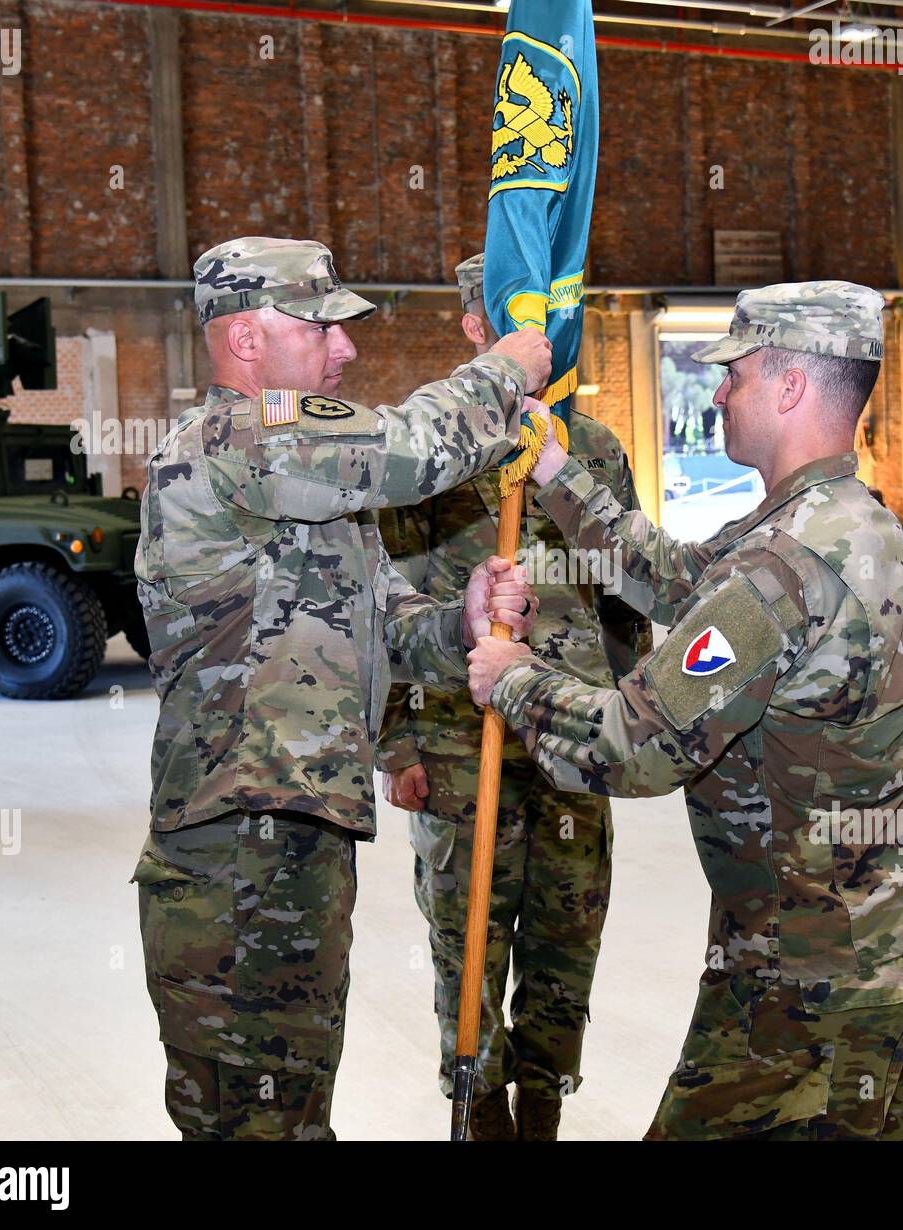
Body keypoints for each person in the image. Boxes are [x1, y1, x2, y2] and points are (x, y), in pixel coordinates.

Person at [468, 281, 903, 1141]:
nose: (717, 392)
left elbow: (634, 745)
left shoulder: (787, 563)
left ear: (791, 387)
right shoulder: (844, 520)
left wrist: (514, 676)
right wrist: (558, 470)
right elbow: (678, 577)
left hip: (813, 978)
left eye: (737, 375)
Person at [130, 235, 549, 1141]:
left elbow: (390, 629)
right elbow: (411, 447)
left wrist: (463, 622)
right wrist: (499, 372)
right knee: (257, 1120)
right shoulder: (233, 441)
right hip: (235, 847)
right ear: (245, 340)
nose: (345, 348)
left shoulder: (308, 486)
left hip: (296, 837)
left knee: (295, 1106)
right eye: (321, 326)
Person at [375, 254, 651, 1141]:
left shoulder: (593, 450)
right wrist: (397, 747)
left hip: (570, 736)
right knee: (468, 950)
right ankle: (479, 1113)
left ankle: (542, 1112)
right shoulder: (430, 456)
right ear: (473, 328)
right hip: (461, 741)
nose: (543, 337)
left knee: (567, 946)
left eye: (554, 320)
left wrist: (626, 707)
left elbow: (628, 597)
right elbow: (382, 603)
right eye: (517, 319)